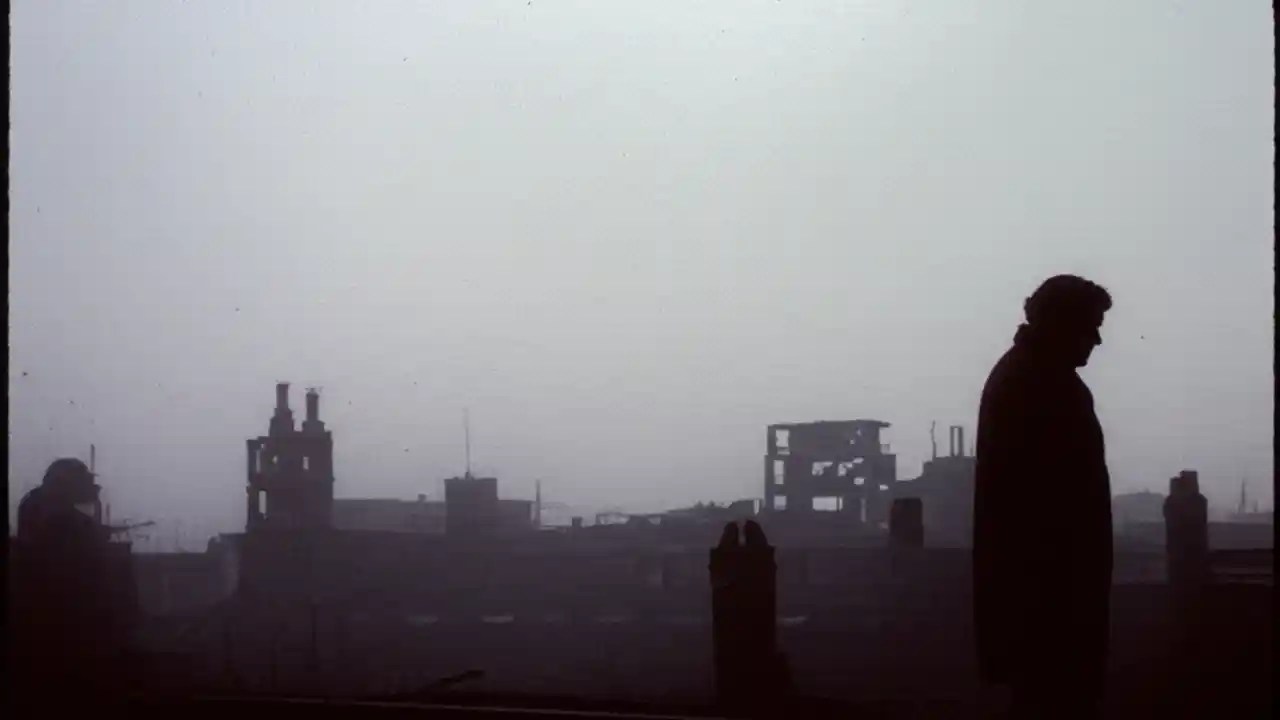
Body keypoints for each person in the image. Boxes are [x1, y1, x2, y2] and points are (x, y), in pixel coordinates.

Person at [972, 275, 1114, 719]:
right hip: (1049, 606)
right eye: (1089, 326)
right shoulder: (1039, 383)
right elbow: (1053, 509)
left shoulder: (1030, 376)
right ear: (1061, 323)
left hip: (1042, 603)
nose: (1097, 339)